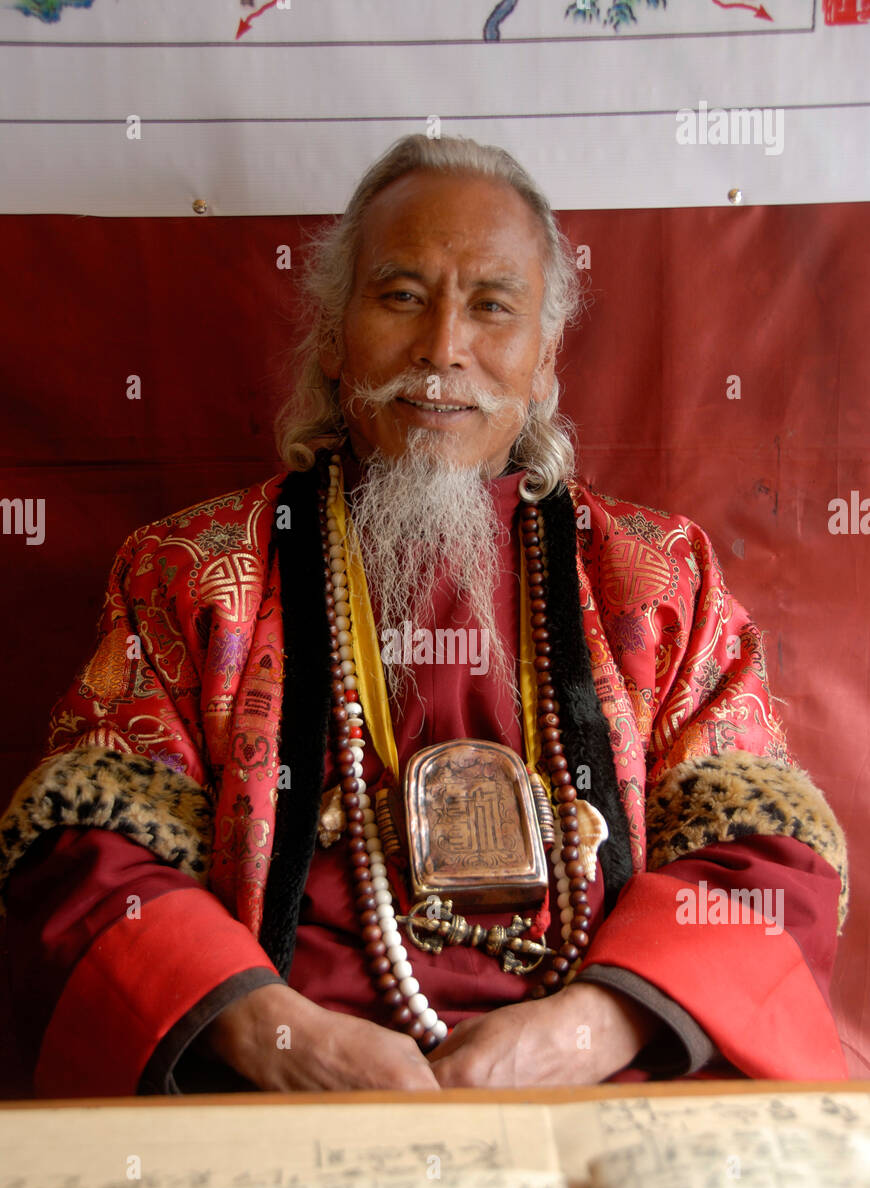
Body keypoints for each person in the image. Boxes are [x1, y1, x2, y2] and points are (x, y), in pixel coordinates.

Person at [0, 134, 849, 1098]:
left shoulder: (657, 581)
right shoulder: (195, 575)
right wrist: (278, 1035)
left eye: (492, 306)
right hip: (278, 1095)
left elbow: (766, 860)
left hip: (596, 1085)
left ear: (542, 358)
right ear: (332, 334)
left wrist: (585, 1030)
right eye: (402, 296)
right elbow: (86, 856)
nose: (443, 347)